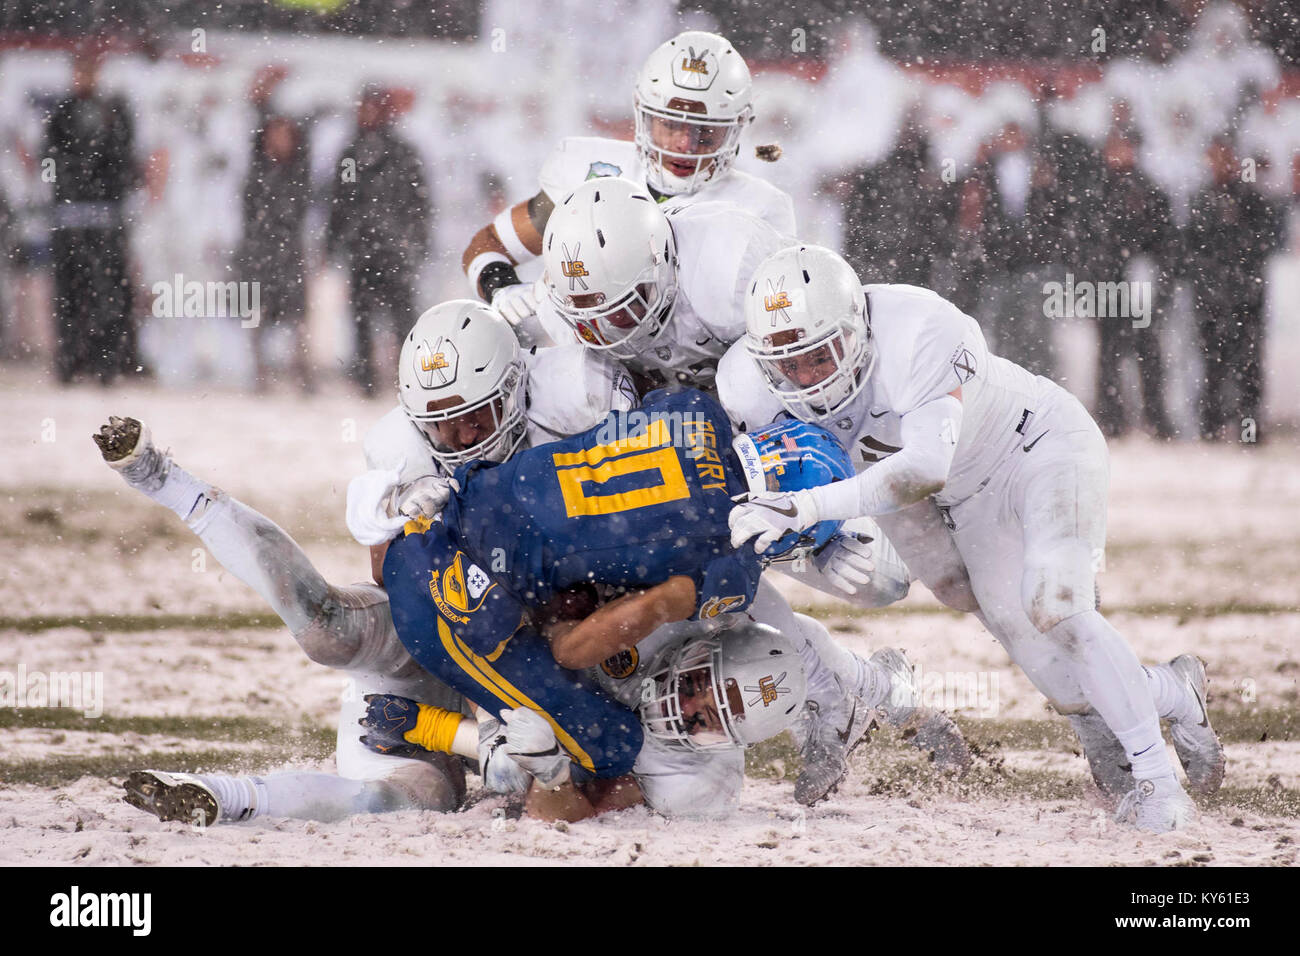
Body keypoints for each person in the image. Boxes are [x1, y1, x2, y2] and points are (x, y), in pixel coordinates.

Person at [720, 244, 1225, 833]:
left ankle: (1159, 786)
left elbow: (923, 467)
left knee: (1058, 606)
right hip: (956, 501)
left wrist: (804, 506)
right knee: (1041, 663)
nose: (807, 377)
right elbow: (787, 483)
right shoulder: (746, 383)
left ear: (856, 327)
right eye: (789, 364)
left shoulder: (920, 328)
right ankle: (1170, 691)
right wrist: (813, 540)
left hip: (1037, 448)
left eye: (821, 355)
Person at [461, 30, 795, 346]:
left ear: (736, 129)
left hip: (706, 384)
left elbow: (782, 324)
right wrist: (500, 288)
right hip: (593, 376)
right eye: (670, 124)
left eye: (705, 132)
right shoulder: (591, 173)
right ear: (643, 115)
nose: (684, 144)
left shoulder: (759, 208)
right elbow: (489, 245)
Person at [45, 42, 139, 384]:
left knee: (107, 294)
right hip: (70, 217)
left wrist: (110, 191)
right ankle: (71, 362)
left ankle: (106, 364)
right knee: (71, 294)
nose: (85, 77)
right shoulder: (61, 113)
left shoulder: (113, 112)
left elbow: (124, 159)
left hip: (105, 216)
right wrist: (63, 194)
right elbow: (50, 161)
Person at [327, 84, 432, 394]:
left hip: (395, 249)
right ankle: (366, 377)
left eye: (374, 107)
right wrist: (335, 242)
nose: (367, 114)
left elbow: (418, 201)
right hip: (362, 248)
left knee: (403, 318)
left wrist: (415, 240)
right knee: (361, 318)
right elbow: (341, 199)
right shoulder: (350, 154)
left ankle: (411, 377)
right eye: (364, 107)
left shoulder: (403, 151)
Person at [1185, 134, 1281, 441]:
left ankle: (1249, 431)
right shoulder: (1201, 199)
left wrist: (1238, 281)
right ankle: (1210, 428)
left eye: (1224, 157)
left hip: (1245, 300)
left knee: (1248, 369)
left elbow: (1261, 244)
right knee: (1213, 367)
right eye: (1214, 158)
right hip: (1211, 299)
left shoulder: (1252, 199)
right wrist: (1209, 283)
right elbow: (1192, 249)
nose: (1219, 165)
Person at [240, 114, 313, 392]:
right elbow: (248, 212)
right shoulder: (255, 171)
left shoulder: (299, 171)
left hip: (289, 249)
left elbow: (301, 210)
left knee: (297, 316)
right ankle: (259, 372)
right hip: (260, 250)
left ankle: (302, 372)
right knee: (258, 312)